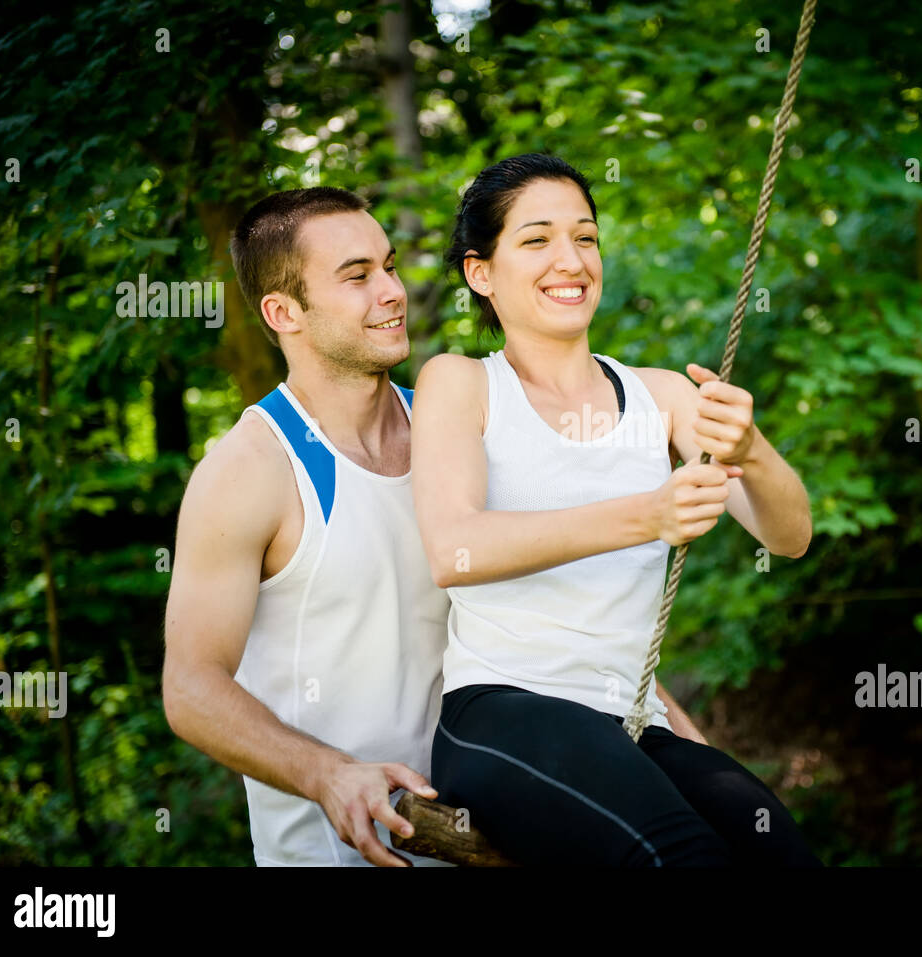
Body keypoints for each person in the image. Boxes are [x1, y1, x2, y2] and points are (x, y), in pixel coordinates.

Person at [161, 185, 706, 866]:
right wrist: (327, 773)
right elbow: (190, 688)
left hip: (502, 835)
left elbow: (573, 625)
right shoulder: (251, 469)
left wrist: (682, 742)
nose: (391, 290)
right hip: (342, 854)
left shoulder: (463, 427)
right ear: (283, 311)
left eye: (389, 265)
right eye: (357, 277)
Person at [412, 153, 822, 866]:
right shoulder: (463, 383)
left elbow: (788, 535)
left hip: (634, 723)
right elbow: (455, 549)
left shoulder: (660, 396)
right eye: (536, 240)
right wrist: (646, 515)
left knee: (782, 854)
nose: (570, 259)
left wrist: (751, 448)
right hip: (506, 713)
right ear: (481, 272)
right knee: (684, 858)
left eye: (587, 236)